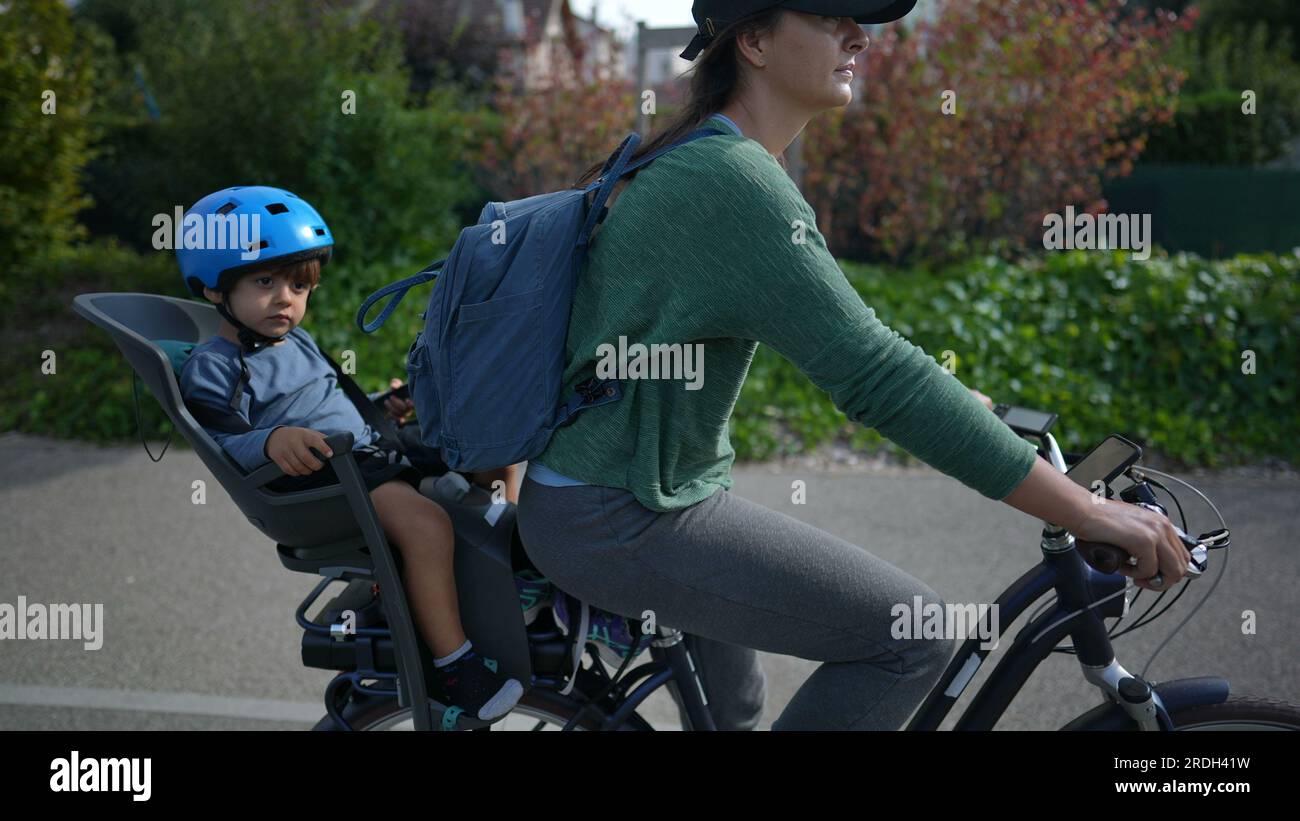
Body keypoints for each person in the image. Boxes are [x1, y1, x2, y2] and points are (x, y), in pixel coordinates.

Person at [515, 1, 1193, 731]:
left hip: (629, 494)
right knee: (913, 634)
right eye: (832, 17)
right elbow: (875, 375)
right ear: (753, 41)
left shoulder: (710, 158)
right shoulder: (732, 180)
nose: (860, 37)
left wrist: (957, 402)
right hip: (619, 511)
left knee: (735, 713)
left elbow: (847, 343)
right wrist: (1084, 508)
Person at [175, 185, 524, 721]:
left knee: (493, 446)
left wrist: (385, 407)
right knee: (427, 525)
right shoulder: (215, 365)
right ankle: (455, 665)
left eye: (297, 284)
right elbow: (220, 442)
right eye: (264, 281)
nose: (285, 298)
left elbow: (326, 402)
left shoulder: (297, 340)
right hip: (329, 479)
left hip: (368, 448)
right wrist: (269, 439)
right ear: (212, 289)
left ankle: (518, 575)